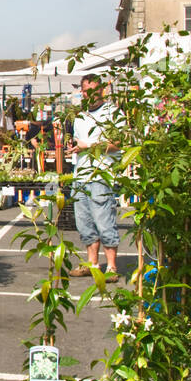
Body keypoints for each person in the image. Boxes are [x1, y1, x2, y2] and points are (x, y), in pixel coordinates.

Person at [67, 74, 121, 279]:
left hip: (101, 175)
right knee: (84, 222)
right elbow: (80, 143)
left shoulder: (112, 112)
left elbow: (118, 143)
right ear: (82, 92)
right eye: (86, 90)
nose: (90, 94)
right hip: (81, 175)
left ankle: (112, 267)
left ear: (101, 90)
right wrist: (76, 148)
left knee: (104, 219)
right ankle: (92, 264)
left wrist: (88, 146)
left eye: (94, 90)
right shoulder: (80, 116)